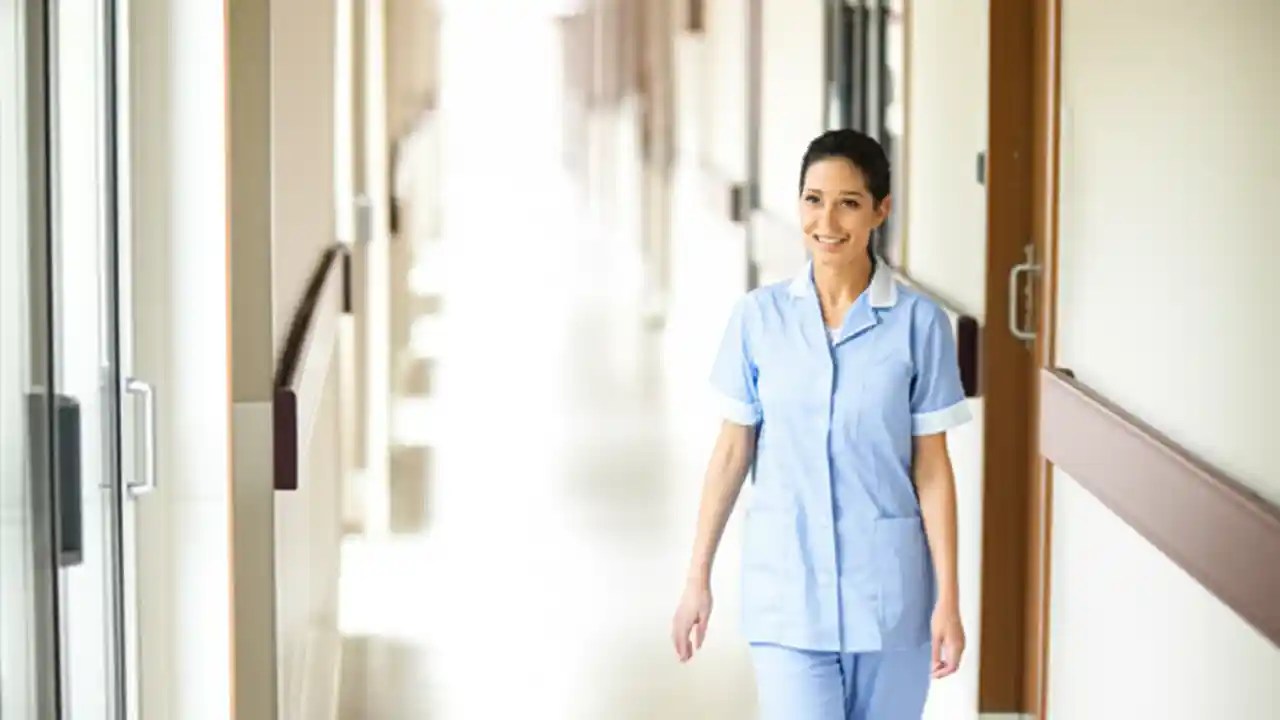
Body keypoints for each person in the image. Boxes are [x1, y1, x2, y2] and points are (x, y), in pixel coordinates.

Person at [670, 128, 971, 719]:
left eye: (849, 203)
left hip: (889, 601)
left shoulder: (920, 325)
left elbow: (932, 469)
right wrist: (696, 578)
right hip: (787, 595)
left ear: (881, 210)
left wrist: (949, 601)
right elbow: (731, 454)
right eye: (814, 200)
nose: (827, 221)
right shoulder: (758, 319)